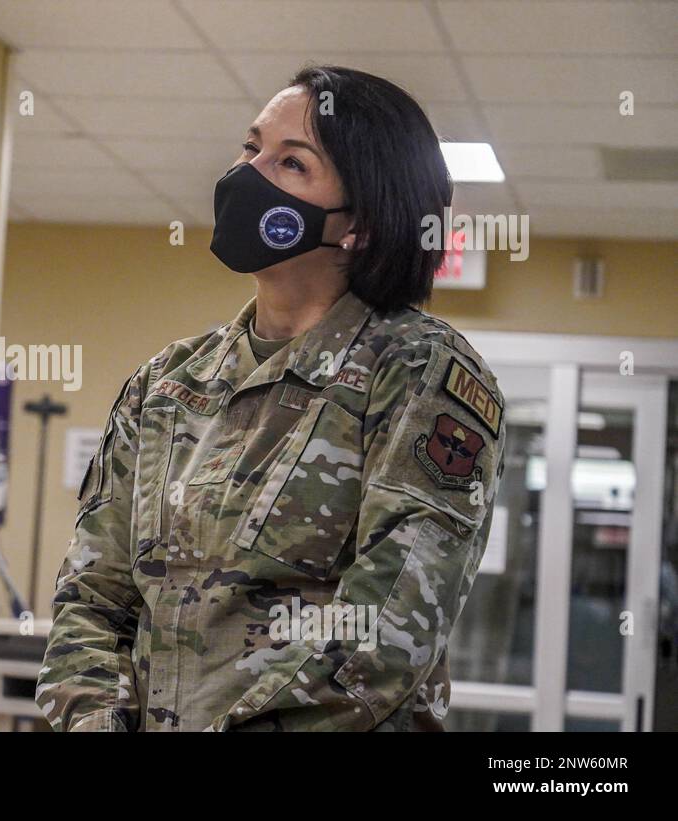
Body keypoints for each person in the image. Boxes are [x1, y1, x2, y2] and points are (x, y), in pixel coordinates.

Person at [35, 65, 507, 732]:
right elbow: (92, 598)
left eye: (291, 163)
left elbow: (389, 628)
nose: (246, 174)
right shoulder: (165, 384)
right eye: (250, 147)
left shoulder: (416, 370)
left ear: (360, 222)